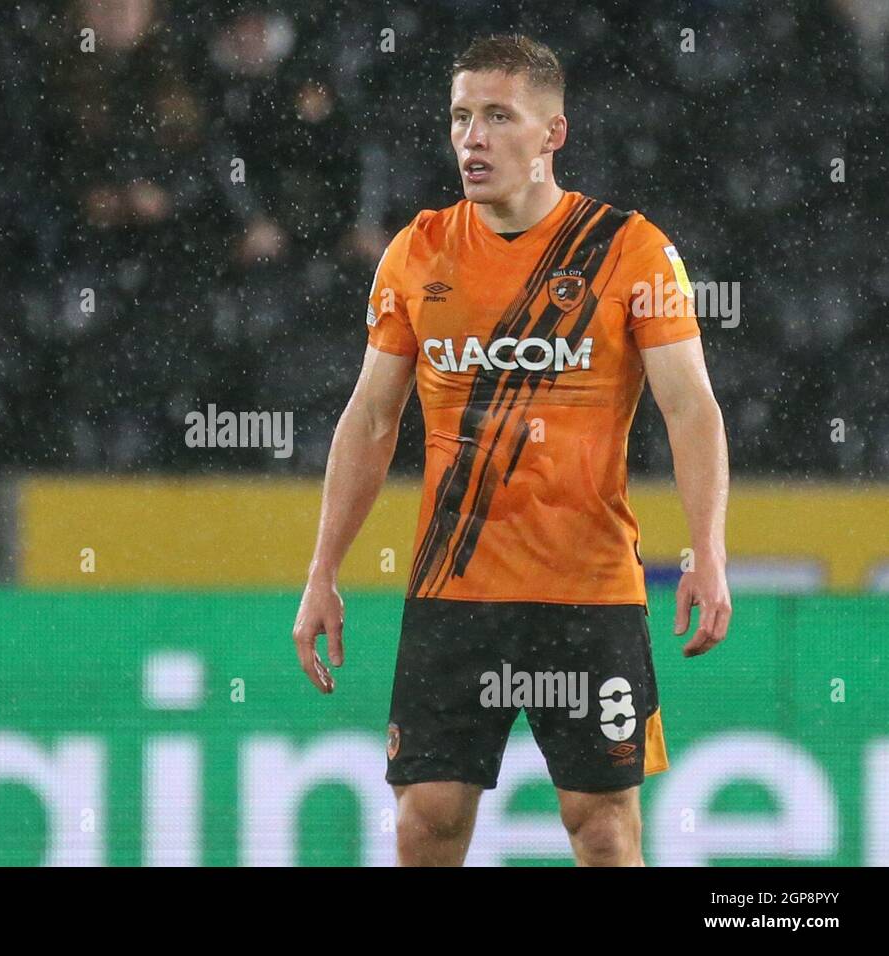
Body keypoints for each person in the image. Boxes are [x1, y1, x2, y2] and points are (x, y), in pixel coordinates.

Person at [290, 34, 732, 866]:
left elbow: (691, 406)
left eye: (498, 116)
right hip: (455, 592)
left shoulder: (628, 249)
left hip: (590, 592)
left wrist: (707, 549)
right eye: (461, 117)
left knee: (601, 827)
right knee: (427, 821)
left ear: (552, 134)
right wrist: (323, 569)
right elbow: (371, 418)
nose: (473, 138)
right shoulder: (417, 252)